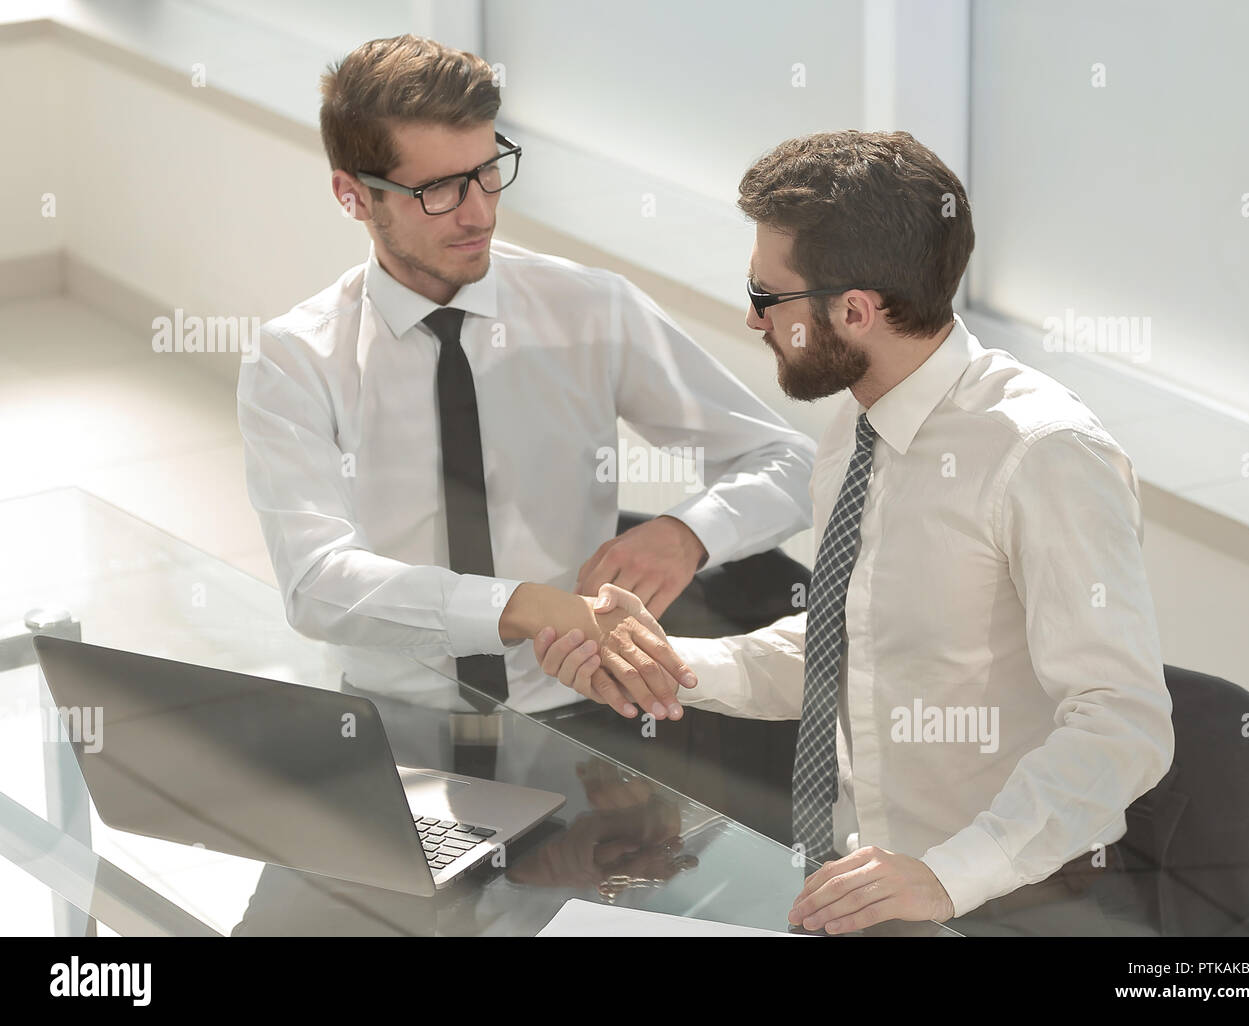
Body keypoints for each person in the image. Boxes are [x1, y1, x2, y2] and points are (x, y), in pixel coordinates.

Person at [532, 129, 1174, 932]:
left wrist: (947, 877)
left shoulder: (1043, 453)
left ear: (855, 311)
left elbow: (1123, 725)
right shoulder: (858, 427)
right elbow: (849, 644)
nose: (752, 318)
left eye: (767, 296)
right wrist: (664, 663)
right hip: (857, 891)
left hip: (1008, 903)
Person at [235, 35, 815, 723]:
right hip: (393, 717)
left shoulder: (590, 309)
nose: (478, 212)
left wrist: (688, 533)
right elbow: (315, 582)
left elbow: (792, 463)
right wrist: (522, 606)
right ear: (353, 196)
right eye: (438, 189)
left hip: (587, 712)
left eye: (487, 171)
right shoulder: (295, 360)